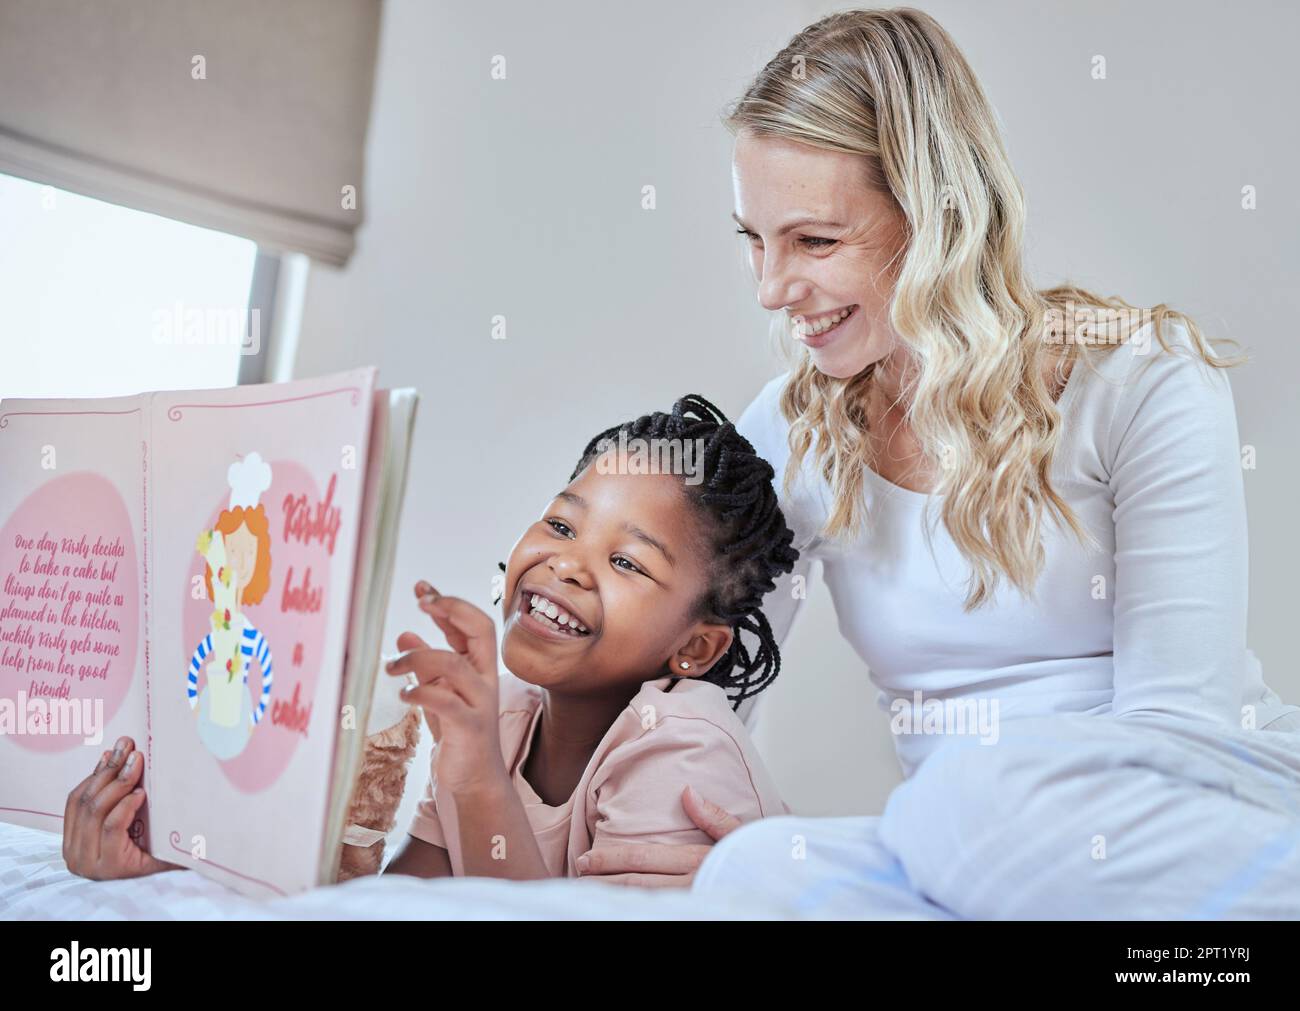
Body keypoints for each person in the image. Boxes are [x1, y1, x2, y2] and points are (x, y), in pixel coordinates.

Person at [576, 7, 1300, 917]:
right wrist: (666, 810)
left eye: (815, 241)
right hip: (962, 853)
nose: (771, 288)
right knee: (756, 871)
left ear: (938, 214)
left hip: (1187, 812)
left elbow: (1178, 739)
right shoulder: (794, 431)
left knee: (965, 793)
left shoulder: (1144, 382)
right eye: (754, 240)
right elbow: (711, 682)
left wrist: (965, 812)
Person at [61, 395, 798, 885]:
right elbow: (409, 910)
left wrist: (474, 774)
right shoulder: (505, 717)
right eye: (564, 524)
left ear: (696, 649)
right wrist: (176, 865)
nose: (568, 563)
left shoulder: (684, 743)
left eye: (627, 561)